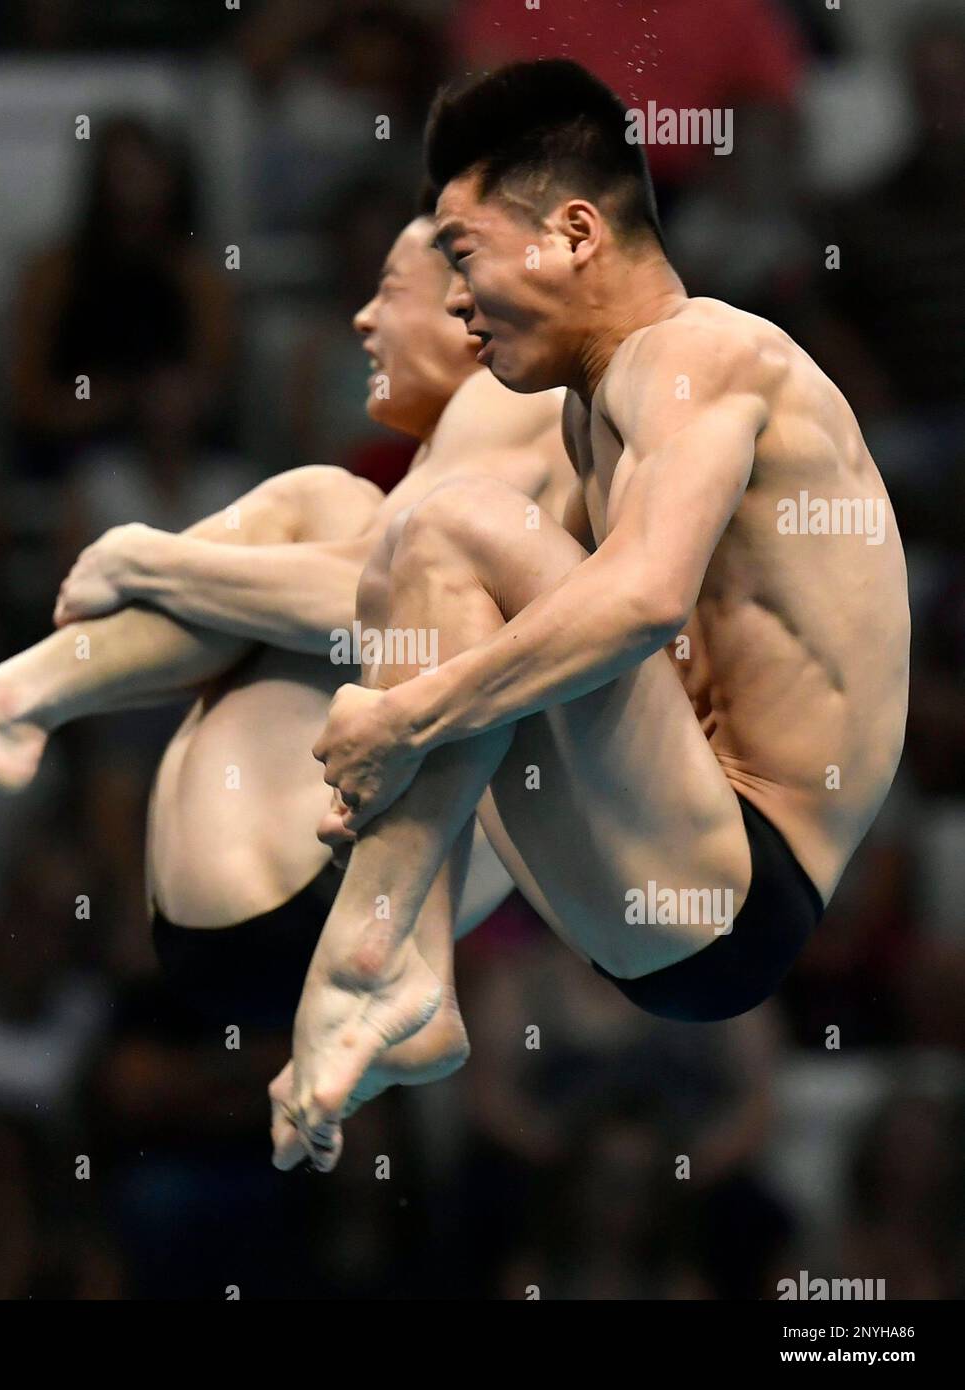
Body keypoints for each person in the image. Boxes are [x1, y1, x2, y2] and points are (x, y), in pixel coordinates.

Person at [281, 59, 910, 1172]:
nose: (457, 304)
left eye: (465, 258)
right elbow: (518, 647)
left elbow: (640, 600)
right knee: (409, 561)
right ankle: (410, 970)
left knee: (454, 528)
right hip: (674, 892)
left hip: (743, 874)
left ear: (575, 233)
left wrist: (407, 718)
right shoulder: (591, 420)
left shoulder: (698, 355)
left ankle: (373, 960)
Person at [0, 199, 573, 1100]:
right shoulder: (461, 465)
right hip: (271, 898)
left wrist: (154, 556)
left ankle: (10, 703)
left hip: (285, 903)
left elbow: (373, 607)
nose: (362, 319)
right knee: (329, 525)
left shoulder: (527, 420)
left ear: (468, 318)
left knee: (330, 516)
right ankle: (8, 703)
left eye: (388, 293)